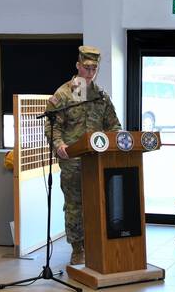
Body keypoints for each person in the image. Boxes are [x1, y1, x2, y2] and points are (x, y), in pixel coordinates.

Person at [46, 46, 121, 265]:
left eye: (94, 69)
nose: (90, 73)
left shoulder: (101, 97)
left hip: (97, 162)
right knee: (74, 206)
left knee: (99, 204)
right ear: (78, 66)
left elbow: (114, 125)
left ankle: (96, 244)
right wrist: (59, 145)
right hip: (73, 163)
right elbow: (52, 128)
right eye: (86, 68)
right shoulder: (63, 95)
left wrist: (115, 141)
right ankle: (77, 248)